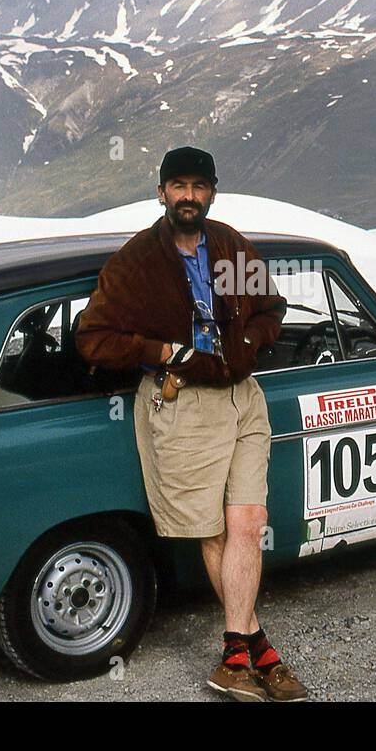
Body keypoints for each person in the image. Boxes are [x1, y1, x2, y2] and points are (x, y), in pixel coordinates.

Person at [74, 145, 308, 702]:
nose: (188, 196)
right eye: (177, 185)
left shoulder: (228, 246)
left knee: (249, 520)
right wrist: (166, 352)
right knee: (215, 530)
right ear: (161, 193)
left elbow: (271, 309)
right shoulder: (137, 262)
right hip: (183, 403)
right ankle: (251, 649)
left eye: (198, 186)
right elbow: (91, 337)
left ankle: (235, 653)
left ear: (211, 193)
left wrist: (245, 346)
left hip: (243, 398)